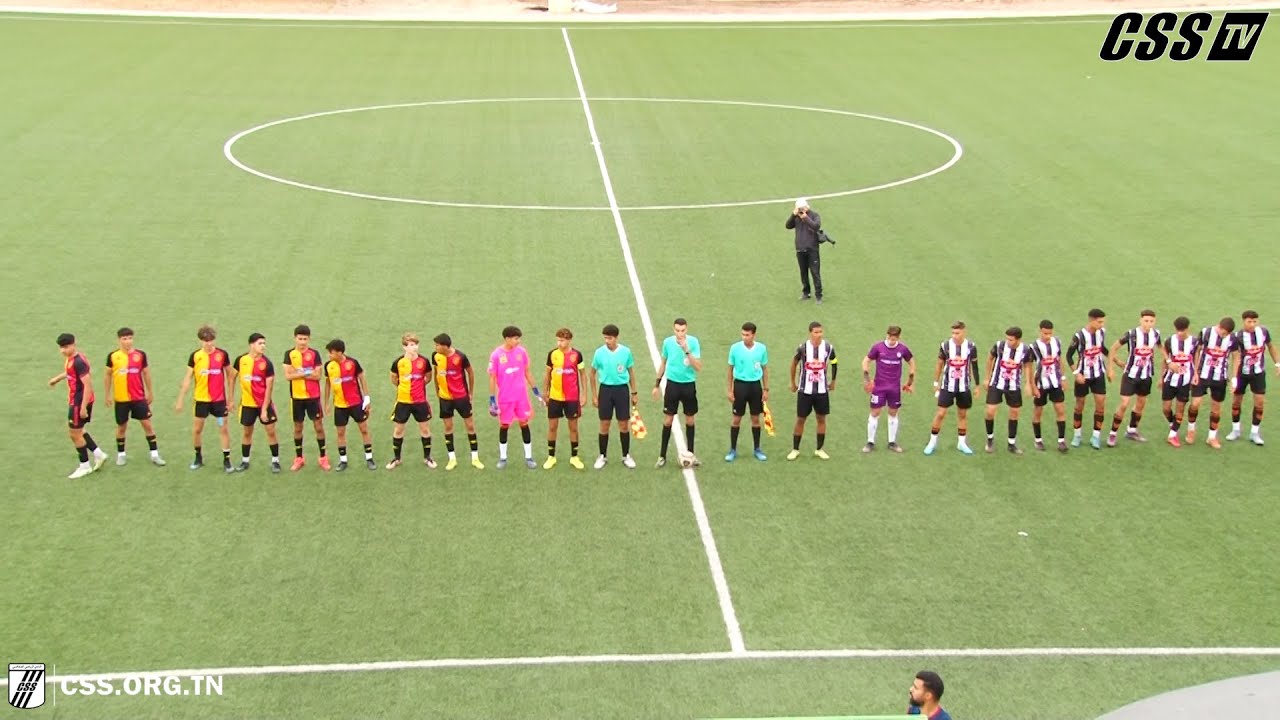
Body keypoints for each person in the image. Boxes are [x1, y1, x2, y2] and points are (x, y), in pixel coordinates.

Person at [175, 325, 235, 473]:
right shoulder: (195, 356)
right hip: (201, 401)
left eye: (211, 340)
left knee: (224, 429)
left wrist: (231, 398)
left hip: (219, 401)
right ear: (200, 341)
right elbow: (188, 378)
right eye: (205, 341)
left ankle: (227, 460)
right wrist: (180, 399)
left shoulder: (222, 355)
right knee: (197, 430)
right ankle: (198, 457)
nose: (208, 344)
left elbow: (230, 375)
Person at [104, 326, 164, 466]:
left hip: (138, 398)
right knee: (121, 427)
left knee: (147, 424)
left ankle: (154, 454)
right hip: (121, 399)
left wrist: (150, 392)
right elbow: (107, 376)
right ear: (119, 340)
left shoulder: (140, 355)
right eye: (124, 339)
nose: (128, 341)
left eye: (130, 338)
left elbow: (146, 374)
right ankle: (121, 454)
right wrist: (107, 394)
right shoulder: (113, 356)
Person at [50, 333, 107, 478]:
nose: (63, 350)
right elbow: (70, 373)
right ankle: (98, 454)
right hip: (77, 400)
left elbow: (88, 385)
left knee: (74, 434)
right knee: (79, 430)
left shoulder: (79, 362)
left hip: (79, 402)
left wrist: (82, 408)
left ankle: (84, 465)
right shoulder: (72, 359)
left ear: (74, 344)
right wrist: (57, 378)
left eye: (66, 347)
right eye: (61, 348)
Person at [488, 326, 544, 470]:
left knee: (524, 424)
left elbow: (527, 372)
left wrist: (536, 391)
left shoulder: (522, 352)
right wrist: (492, 399)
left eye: (518, 338)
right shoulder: (496, 355)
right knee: (504, 426)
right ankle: (503, 458)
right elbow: (492, 378)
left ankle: (529, 457)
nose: (518, 341)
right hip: (505, 399)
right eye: (515, 338)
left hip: (521, 398)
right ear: (507, 339)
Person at [924, 321, 979, 456]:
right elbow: (939, 364)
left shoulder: (971, 346)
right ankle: (932, 442)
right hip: (947, 386)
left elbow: (974, 366)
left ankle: (961, 443)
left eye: (957, 333)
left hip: (964, 386)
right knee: (941, 413)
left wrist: (977, 385)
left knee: (962, 414)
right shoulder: (945, 346)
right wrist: (935, 383)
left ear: (964, 332)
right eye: (953, 333)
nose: (954, 335)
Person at [1107, 309, 1161, 446]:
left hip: (1146, 375)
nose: (1148, 323)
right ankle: (1112, 434)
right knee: (1124, 404)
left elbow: (1161, 348)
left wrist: (1168, 361)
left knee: (1141, 403)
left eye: (1151, 321)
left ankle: (1132, 430)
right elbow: (1113, 348)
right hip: (1130, 375)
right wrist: (1112, 367)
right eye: (1146, 320)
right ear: (1140, 320)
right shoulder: (1131, 334)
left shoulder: (1156, 334)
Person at [653, 318, 702, 468]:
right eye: (677, 330)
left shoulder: (693, 342)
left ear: (686, 330)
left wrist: (686, 350)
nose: (680, 333)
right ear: (673, 330)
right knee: (668, 420)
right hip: (672, 386)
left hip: (688, 386)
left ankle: (691, 454)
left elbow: (698, 367)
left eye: (682, 330)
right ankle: (662, 456)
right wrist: (657, 385)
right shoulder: (668, 342)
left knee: (690, 420)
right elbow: (663, 363)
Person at [229, 333, 281, 473]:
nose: (263, 346)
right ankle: (245, 461)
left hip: (264, 403)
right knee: (247, 432)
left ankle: (275, 461)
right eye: (260, 343)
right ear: (251, 345)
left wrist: (264, 409)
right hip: (247, 404)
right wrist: (231, 399)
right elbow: (232, 377)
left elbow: (269, 388)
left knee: (271, 432)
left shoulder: (267, 364)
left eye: (264, 343)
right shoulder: (241, 360)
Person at [589, 324, 638, 469]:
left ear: (616, 337)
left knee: (623, 424)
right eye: (605, 338)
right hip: (605, 390)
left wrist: (634, 393)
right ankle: (602, 455)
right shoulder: (599, 352)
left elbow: (631, 373)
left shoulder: (626, 352)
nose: (607, 341)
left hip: (622, 390)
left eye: (609, 338)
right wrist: (594, 395)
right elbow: (592, 374)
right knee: (604, 424)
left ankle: (626, 455)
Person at [323, 338, 376, 471]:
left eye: (331, 353)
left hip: (356, 403)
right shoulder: (328, 366)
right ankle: (343, 460)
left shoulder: (352, 363)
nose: (329, 355)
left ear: (340, 353)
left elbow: (362, 378)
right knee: (340, 432)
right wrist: (326, 403)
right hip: (340, 406)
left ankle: (369, 458)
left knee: (364, 430)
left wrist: (367, 398)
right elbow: (328, 384)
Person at [281, 324, 329, 471]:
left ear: (309, 339)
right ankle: (299, 458)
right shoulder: (289, 354)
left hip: (313, 397)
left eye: (305, 339)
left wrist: (298, 372)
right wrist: (306, 373)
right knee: (298, 427)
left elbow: (318, 375)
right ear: (295, 338)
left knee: (318, 427)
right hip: (296, 397)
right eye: (300, 339)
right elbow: (288, 376)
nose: (302, 342)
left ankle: (323, 457)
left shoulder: (314, 354)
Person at [432, 333, 483, 470]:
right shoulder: (436, 356)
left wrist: (470, 393)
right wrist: (437, 391)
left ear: (445, 346)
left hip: (461, 397)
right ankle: (452, 459)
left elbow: (470, 373)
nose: (435, 347)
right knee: (448, 427)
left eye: (437, 345)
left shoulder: (460, 356)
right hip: (445, 399)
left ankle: (475, 458)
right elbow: (436, 373)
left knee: (470, 426)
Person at [1229, 309, 1279, 445]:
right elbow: (1236, 357)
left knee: (1259, 402)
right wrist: (1234, 378)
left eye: (1254, 321)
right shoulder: (1237, 337)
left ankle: (1254, 432)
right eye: (1249, 321)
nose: (1252, 324)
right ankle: (1236, 429)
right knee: (1236, 402)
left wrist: (1278, 364)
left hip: (1258, 373)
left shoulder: (1263, 332)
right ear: (1243, 321)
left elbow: (1271, 346)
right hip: (1242, 374)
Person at [983, 326, 1035, 454]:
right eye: (1007, 339)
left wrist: (1028, 383)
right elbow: (990, 358)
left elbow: (1028, 366)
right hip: (996, 383)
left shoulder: (1025, 349)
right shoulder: (1000, 346)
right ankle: (990, 439)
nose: (1008, 341)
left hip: (1013, 386)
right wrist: (986, 378)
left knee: (1014, 413)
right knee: (990, 411)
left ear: (1018, 339)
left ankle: (1011, 443)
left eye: (1011, 340)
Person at [387, 332, 436, 470]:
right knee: (398, 430)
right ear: (404, 347)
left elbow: (428, 377)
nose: (414, 347)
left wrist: (418, 386)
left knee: (425, 429)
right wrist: (404, 387)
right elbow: (394, 379)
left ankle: (427, 458)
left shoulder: (424, 361)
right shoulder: (398, 363)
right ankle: (397, 458)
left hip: (420, 401)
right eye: (411, 345)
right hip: (403, 401)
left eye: (416, 344)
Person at [789, 321, 837, 460]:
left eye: (820, 332)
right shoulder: (803, 348)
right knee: (800, 419)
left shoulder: (828, 347)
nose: (818, 335)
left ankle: (819, 449)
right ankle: (795, 449)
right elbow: (794, 363)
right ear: (810, 333)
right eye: (816, 332)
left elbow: (834, 362)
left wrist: (833, 381)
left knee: (821, 419)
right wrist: (793, 382)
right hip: (805, 390)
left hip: (822, 390)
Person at [862, 325, 914, 453]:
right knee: (875, 412)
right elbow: (866, 361)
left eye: (894, 338)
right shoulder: (878, 347)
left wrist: (910, 381)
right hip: (879, 387)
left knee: (893, 413)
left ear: (898, 337)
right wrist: (867, 378)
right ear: (887, 335)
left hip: (894, 388)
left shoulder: (902, 349)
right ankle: (870, 442)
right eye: (890, 337)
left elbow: (912, 362)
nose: (891, 340)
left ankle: (892, 442)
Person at [1188, 316, 1238, 449]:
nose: (1224, 336)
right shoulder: (1206, 332)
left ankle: (1212, 437)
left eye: (1227, 334)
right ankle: (1191, 429)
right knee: (1195, 403)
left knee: (1216, 408)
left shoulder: (1232, 339)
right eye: (1223, 333)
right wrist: (1195, 372)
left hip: (1220, 377)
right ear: (1219, 327)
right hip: (1202, 375)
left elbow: (1236, 356)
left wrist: (1234, 378)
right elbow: (1197, 351)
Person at [1067, 308, 1111, 449]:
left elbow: (1102, 348)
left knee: (1100, 405)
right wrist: (1076, 373)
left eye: (1103, 321)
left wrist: (1115, 361)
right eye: (1099, 322)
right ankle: (1077, 435)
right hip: (1083, 376)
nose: (1102, 324)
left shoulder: (1102, 332)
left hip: (1098, 374)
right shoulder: (1079, 336)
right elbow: (1069, 356)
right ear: (1091, 321)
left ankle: (1096, 436)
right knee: (1080, 405)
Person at [726, 321, 770, 461]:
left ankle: (757, 449)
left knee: (755, 419)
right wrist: (730, 390)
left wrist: (766, 389)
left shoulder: (761, 349)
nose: (744, 337)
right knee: (736, 419)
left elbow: (764, 369)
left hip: (755, 387)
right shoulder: (735, 348)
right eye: (743, 334)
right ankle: (733, 450)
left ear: (753, 335)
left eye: (747, 335)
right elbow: (730, 369)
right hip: (740, 386)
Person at [544, 328, 587, 470]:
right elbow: (547, 374)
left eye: (561, 340)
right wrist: (546, 392)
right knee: (552, 427)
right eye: (558, 340)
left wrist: (584, 394)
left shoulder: (577, 355)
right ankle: (551, 456)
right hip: (555, 397)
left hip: (572, 398)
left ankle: (574, 457)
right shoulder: (552, 354)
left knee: (573, 427)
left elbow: (583, 375)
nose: (559, 343)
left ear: (569, 340)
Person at [1030, 320, 1069, 453]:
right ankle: (1038, 439)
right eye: (1045, 333)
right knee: (1038, 411)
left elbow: (1059, 360)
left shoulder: (1056, 342)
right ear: (1040, 331)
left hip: (1055, 382)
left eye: (1050, 333)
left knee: (1060, 409)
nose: (1048, 336)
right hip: (1041, 383)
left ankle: (1061, 441)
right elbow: (1028, 368)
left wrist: (1063, 377)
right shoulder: (1033, 347)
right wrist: (1032, 385)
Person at [1161, 316, 1198, 447]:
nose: (1180, 333)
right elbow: (1165, 359)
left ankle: (1172, 435)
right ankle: (1174, 425)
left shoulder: (1194, 342)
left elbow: (1196, 358)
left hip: (1185, 380)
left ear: (1187, 329)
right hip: (1170, 379)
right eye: (1178, 330)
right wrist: (1161, 377)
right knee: (1166, 408)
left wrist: (1196, 374)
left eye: (1182, 330)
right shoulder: (1169, 341)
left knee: (1180, 408)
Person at [786, 198, 824, 304]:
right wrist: (793, 215)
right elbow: (788, 225)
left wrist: (806, 218)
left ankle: (818, 295)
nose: (801, 210)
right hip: (800, 249)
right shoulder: (796, 217)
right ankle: (806, 292)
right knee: (803, 272)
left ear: (807, 206)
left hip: (812, 249)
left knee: (815, 272)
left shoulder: (814, 215)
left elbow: (816, 226)